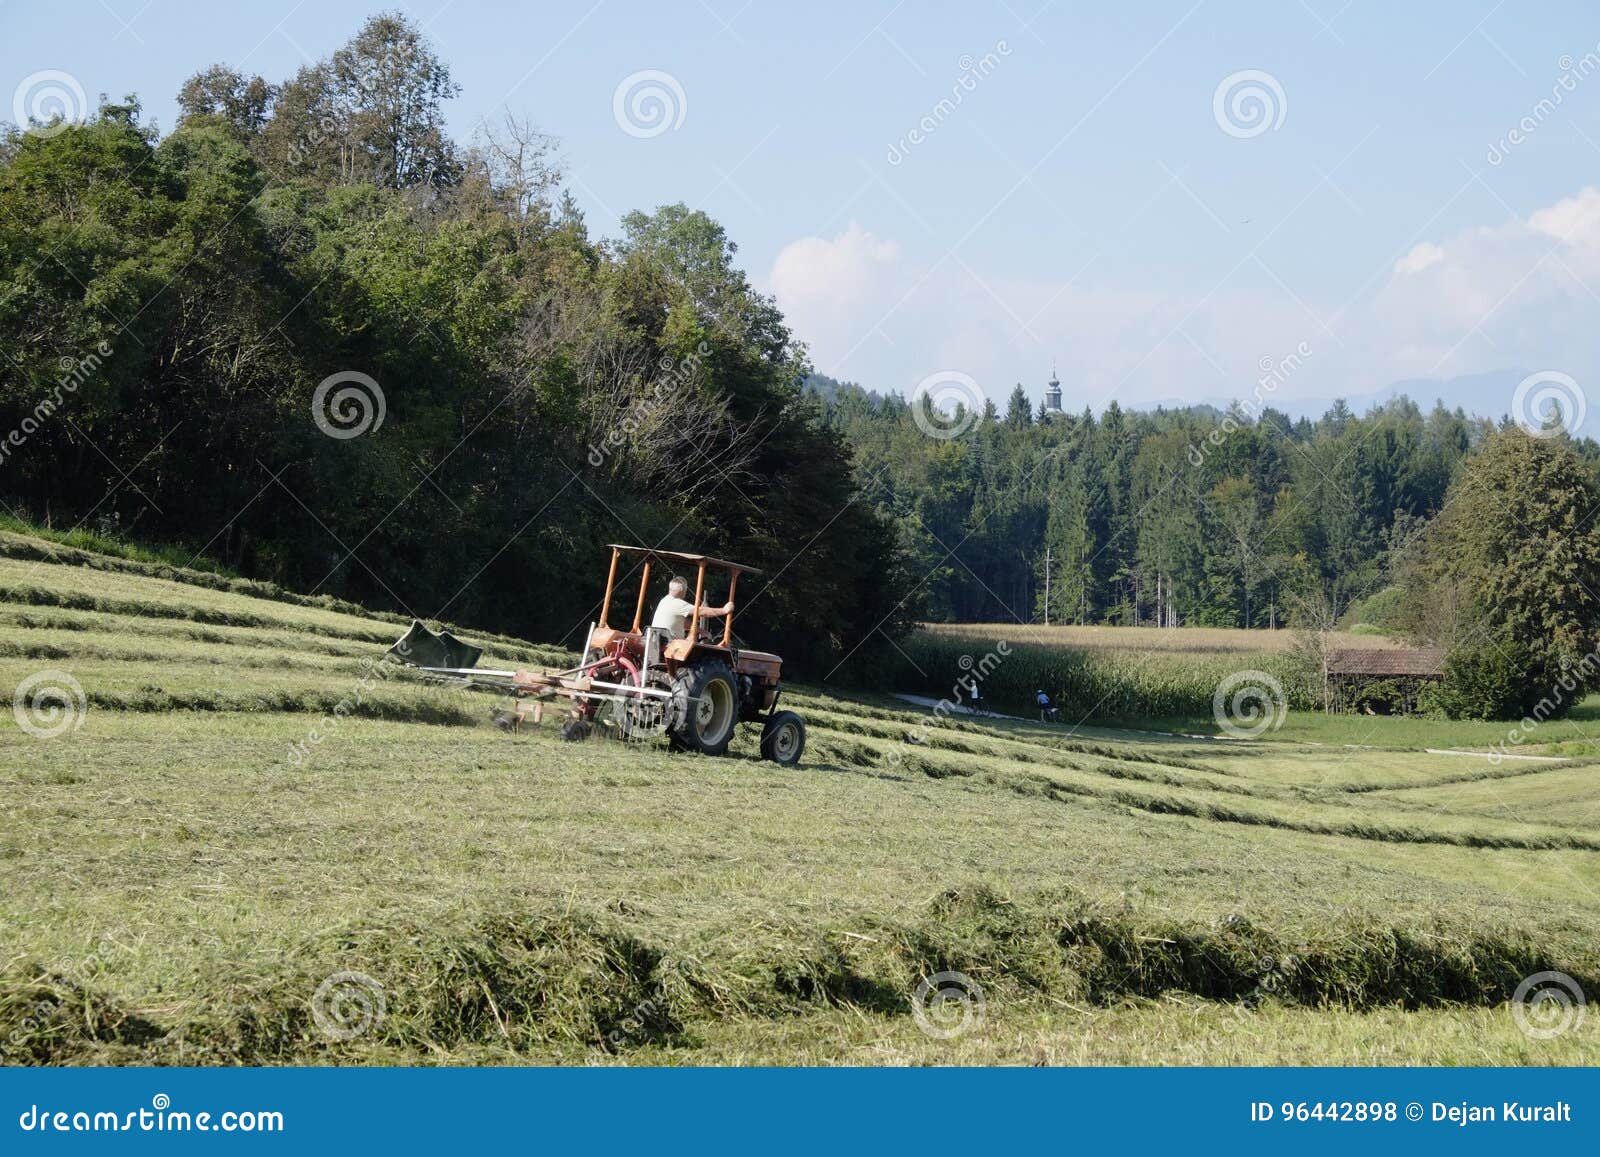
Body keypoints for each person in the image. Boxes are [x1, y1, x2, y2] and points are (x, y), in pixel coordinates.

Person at [650, 576, 732, 640]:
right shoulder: (678, 603)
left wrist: (701, 631)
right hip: (671, 645)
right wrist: (724, 610)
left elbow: (682, 622)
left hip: (659, 641)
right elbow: (701, 611)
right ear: (683, 590)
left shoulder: (664, 601)